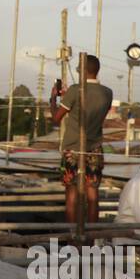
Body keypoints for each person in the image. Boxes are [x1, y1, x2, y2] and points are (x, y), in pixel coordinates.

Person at [49, 56, 113, 226]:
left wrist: (53, 99)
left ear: (83, 70)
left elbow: (56, 118)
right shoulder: (107, 93)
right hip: (94, 148)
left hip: (72, 149)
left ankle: (72, 238)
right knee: (92, 196)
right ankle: (90, 238)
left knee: (71, 196)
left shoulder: (74, 91)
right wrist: (70, 96)